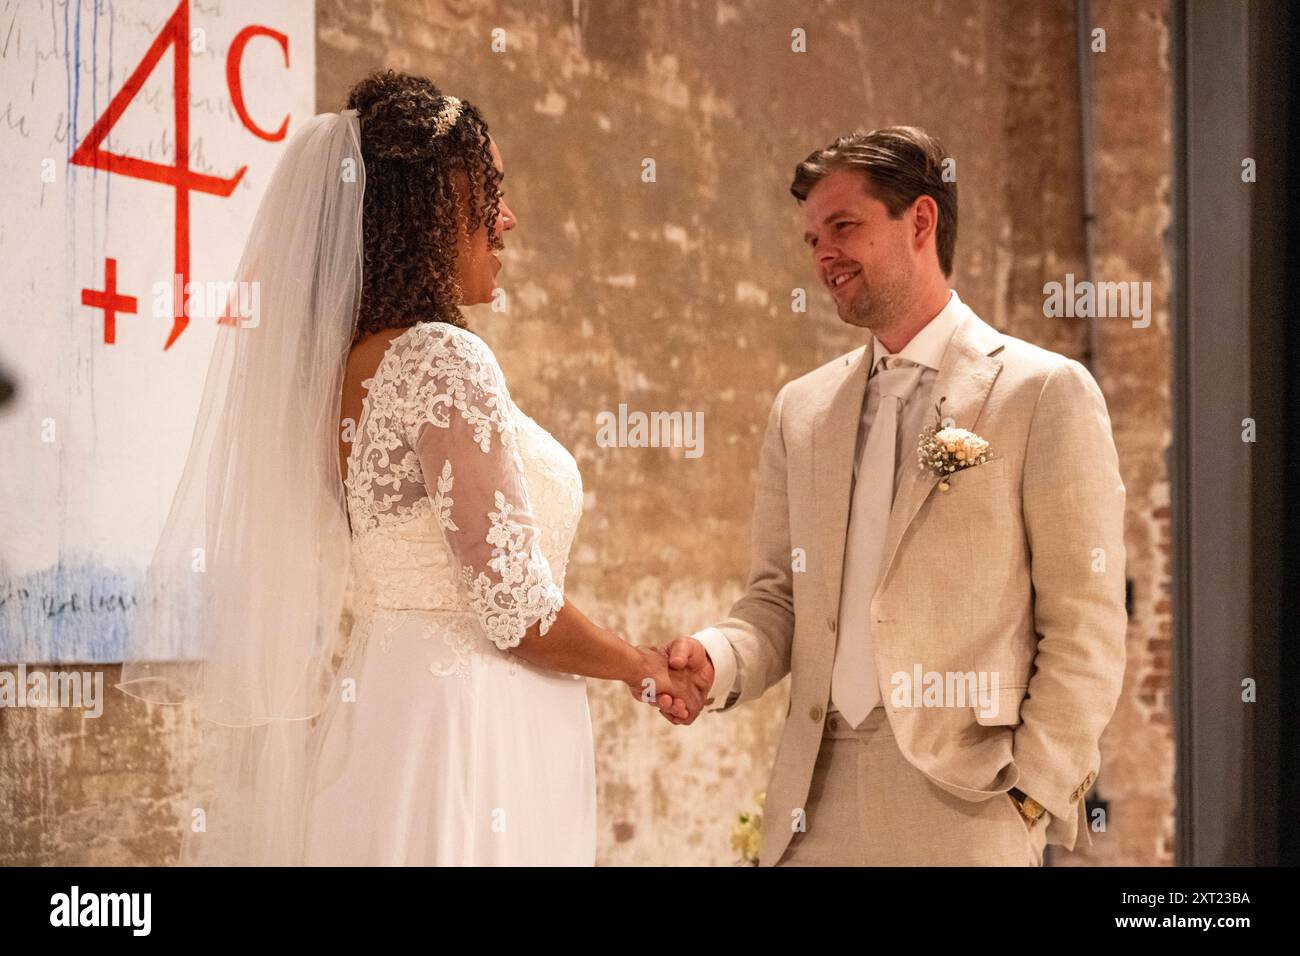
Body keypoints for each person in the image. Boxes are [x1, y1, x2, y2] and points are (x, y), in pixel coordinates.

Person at [118, 70, 696, 866]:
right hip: (473, 729)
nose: (510, 220)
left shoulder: (342, 370)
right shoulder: (442, 358)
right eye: (489, 193)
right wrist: (641, 667)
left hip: (395, 712)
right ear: (429, 208)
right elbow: (517, 612)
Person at [657, 126, 1128, 867]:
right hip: (812, 799)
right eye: (812, 238)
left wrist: (1030, 795)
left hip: (966, 800)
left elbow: (1086, 621)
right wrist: (717, 659)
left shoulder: (1041, 392)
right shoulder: (801, 409)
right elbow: (778, 599)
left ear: (920, 222)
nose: (823, 256)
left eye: (843, 226)